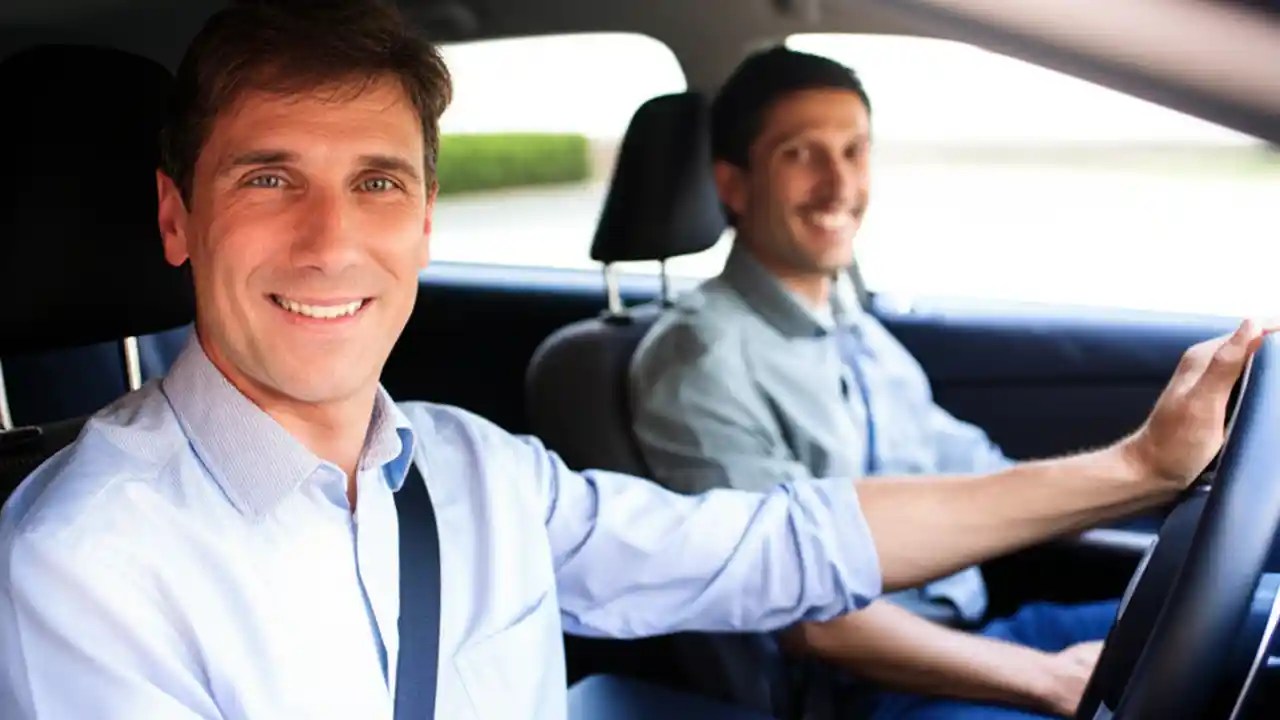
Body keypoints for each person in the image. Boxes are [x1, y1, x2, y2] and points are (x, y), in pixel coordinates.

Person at [0, 4, 1266, 719]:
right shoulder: (84, 561)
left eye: (377, 183)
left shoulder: (474, 470)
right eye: (269, 179)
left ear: (424, 222)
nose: (331, 241)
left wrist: (1134, 468)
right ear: (177, 218)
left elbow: (779, 546)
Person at [628, 47, 1156, 719]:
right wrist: (1045, 677)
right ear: (733, 185)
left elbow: (983, 475)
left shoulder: (854, 326)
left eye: (854, 151)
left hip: (976, 641)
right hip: (873, 690)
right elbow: (807, 614)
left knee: (1251, 615)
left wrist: (1158, 488)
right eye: (801, 154)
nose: (839, 185)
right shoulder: (700, 362)